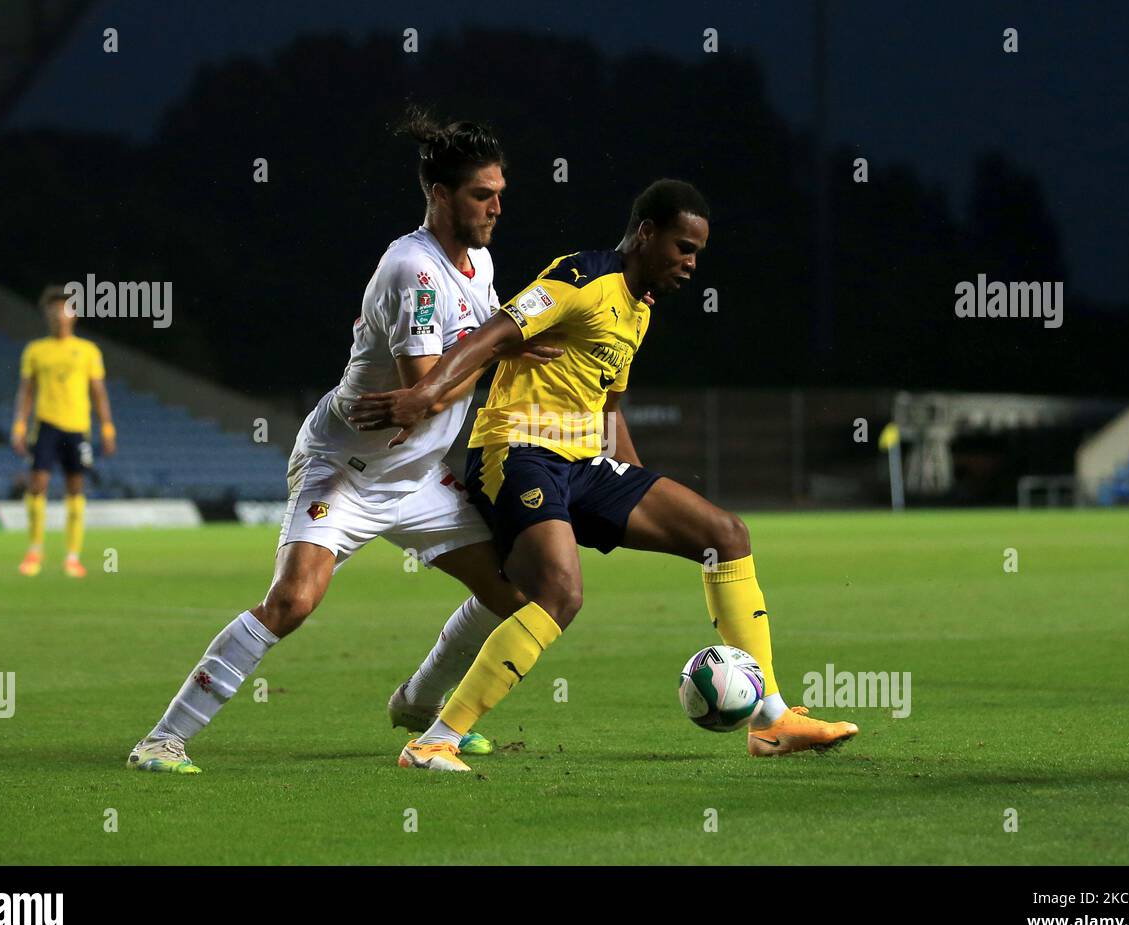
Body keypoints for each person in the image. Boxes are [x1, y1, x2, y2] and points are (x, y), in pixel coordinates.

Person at [349, 179, 859, 772]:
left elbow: (608, 408)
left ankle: (771, 722)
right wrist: (425, 394)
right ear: (646, 232)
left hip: (584, 462)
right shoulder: (579, 279)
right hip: (515, 451)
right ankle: (434, 740)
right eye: (683, 248)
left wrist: (636, 493)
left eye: (698, 253)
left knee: (727, 535)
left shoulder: (639, 310)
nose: (692, 264)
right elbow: (490, 339)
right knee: (560, 594)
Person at [126, 110, 561, 774]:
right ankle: (161, 740)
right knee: (293, 602)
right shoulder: (413, 271)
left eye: (501, 191)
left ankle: (419, 705)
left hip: (417, 479)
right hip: (346, 469)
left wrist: (513, 345)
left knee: (517, 594)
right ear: (440, 196)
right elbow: (425, 393)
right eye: (482, 194)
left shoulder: (480, 261)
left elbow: (476, 352)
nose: (497, 206)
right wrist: (502, 349)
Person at [12, 287, 116, 577]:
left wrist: (107, 427)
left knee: (75, 488)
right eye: (53, 309)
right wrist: (19, 425)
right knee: (37, 484)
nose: (59, 314)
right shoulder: (35, 350)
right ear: (47, 315)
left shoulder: (88, 351)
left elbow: (99, 393)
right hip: (45, 426)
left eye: (65, 308)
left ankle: (72, 556)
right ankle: (34, 551)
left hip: (77, 428)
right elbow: (26, 392)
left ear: (75, 314)